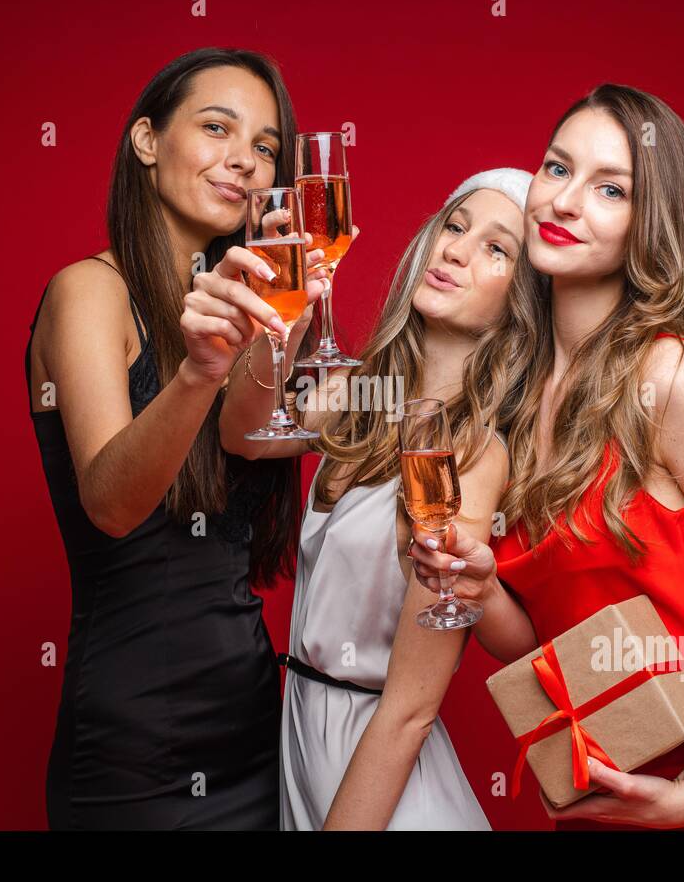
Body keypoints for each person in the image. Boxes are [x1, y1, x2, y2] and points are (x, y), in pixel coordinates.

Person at [410, 84, 684, 830]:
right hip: (595, 793)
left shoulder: (669, 378)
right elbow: (539, 645)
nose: (563, 202)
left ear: (649, 225)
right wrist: (479, 584)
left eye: (609, 189)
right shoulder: (512, 394)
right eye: (557, 170)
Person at [25, 47, 323, 829]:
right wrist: (198, 372)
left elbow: (278, 437)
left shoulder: (252, 301)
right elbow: (112, 503)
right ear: (147, 141)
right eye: (217, 128)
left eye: (265, 148)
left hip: (256, 723)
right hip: (135, 744)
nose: (246, 162)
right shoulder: (89, 291)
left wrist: (285, 319)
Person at [216, 168, 537, 829]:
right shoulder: (363, 394)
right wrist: (281, 328)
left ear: (524, 302)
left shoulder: (475, 452)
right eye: (454, 226)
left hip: (381, 776)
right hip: (307, 737)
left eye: (497, 248)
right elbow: (243, 433)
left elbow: (411, 710)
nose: (455, 250)